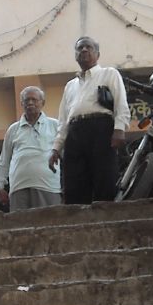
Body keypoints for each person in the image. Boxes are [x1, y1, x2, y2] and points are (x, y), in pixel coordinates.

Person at [48, 36, 128, 204]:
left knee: (104, 180)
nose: (84, 50)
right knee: (74, 185)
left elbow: (121, 103)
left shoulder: (109, 73)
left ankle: (106, 217)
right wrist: (56, 148)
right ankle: (77, 218)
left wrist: (119, 129)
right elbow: (63, 120)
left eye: (88, 47)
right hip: (75, 134)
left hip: (101, 130)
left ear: (97, 54)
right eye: (80, 48)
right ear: (75, 55)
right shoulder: (70, 85)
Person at [0, 86, 61, 211]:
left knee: (49, 222)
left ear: (43, 103)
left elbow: (66, 156)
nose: (30, 103)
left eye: (34, 100)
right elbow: (4, 160)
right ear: (22, 104)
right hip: (19, 188)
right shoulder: (13, 129)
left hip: (49, 187)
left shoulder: (55, 125)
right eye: (26, 100)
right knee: (20, 223)